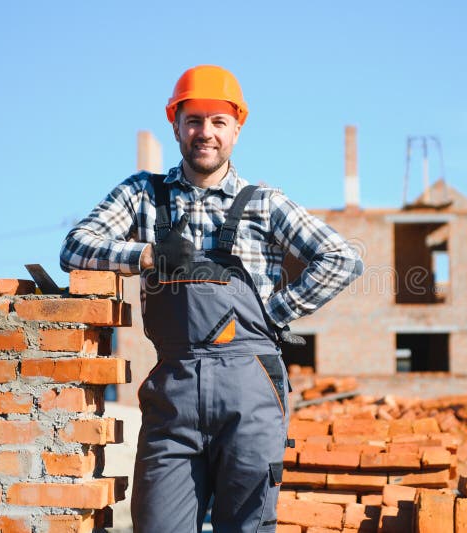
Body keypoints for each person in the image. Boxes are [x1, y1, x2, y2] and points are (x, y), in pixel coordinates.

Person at [59, 64, 363, 532]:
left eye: (218, 122)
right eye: (194, 120)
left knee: (246, 525)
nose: (206, 132)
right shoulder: (143, 194)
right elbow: (75, 247)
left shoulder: (264, 202)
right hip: (173, 389)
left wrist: (272, 314)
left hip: (251, 386)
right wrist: (146, 254)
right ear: (176, 124)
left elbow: (342, 260)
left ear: (236, 129)